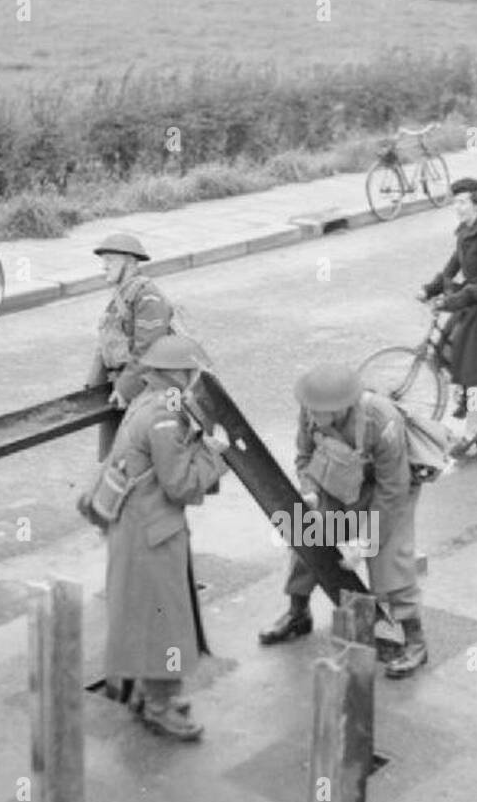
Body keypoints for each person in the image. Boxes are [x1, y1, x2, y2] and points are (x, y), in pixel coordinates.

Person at [258, 363, 429, 678]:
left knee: (390, 560)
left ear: (343, 407)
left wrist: (365, 543)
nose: (313, 417)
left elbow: (393, 489)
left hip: (388, 489)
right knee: (307, 538)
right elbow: (304, 457)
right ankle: (298, 613)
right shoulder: (310, 411)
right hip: (338, 480)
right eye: (310, 410)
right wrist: (308, 493)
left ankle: (415, 640)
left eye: (321, 412)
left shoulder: (382, 420)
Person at [99, 333, 228, 742]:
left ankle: (144, 692)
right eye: (191, 372)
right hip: (153, 531)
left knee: (143, 614)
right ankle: (160, 705)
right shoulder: (165, 416)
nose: (195, 378)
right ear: (179, 374)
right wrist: (215, 455)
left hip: (136, 525)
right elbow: (180, 485)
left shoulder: (147, 402)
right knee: (164, 621)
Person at [416, 175, 477, 460]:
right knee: (446, 347)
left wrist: (458, 299)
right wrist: (430, 288)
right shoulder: (464, 230)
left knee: (474, 375)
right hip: (470, 300)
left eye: (463, 202)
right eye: (455, 202)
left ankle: (472, 433)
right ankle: (465, 396)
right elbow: (453, 265)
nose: (458, 207)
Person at [84, 232, 174, 461]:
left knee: (141, 461)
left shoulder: (147, 296)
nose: (104, 267)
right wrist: (93, 386)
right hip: (119, 388)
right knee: (115, 462)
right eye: (104, 261)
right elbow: (105, 344)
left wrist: (124, 389)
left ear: (131, 263)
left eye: (110, 260)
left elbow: (148, 349)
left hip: (143, 391)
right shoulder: (120, 297)